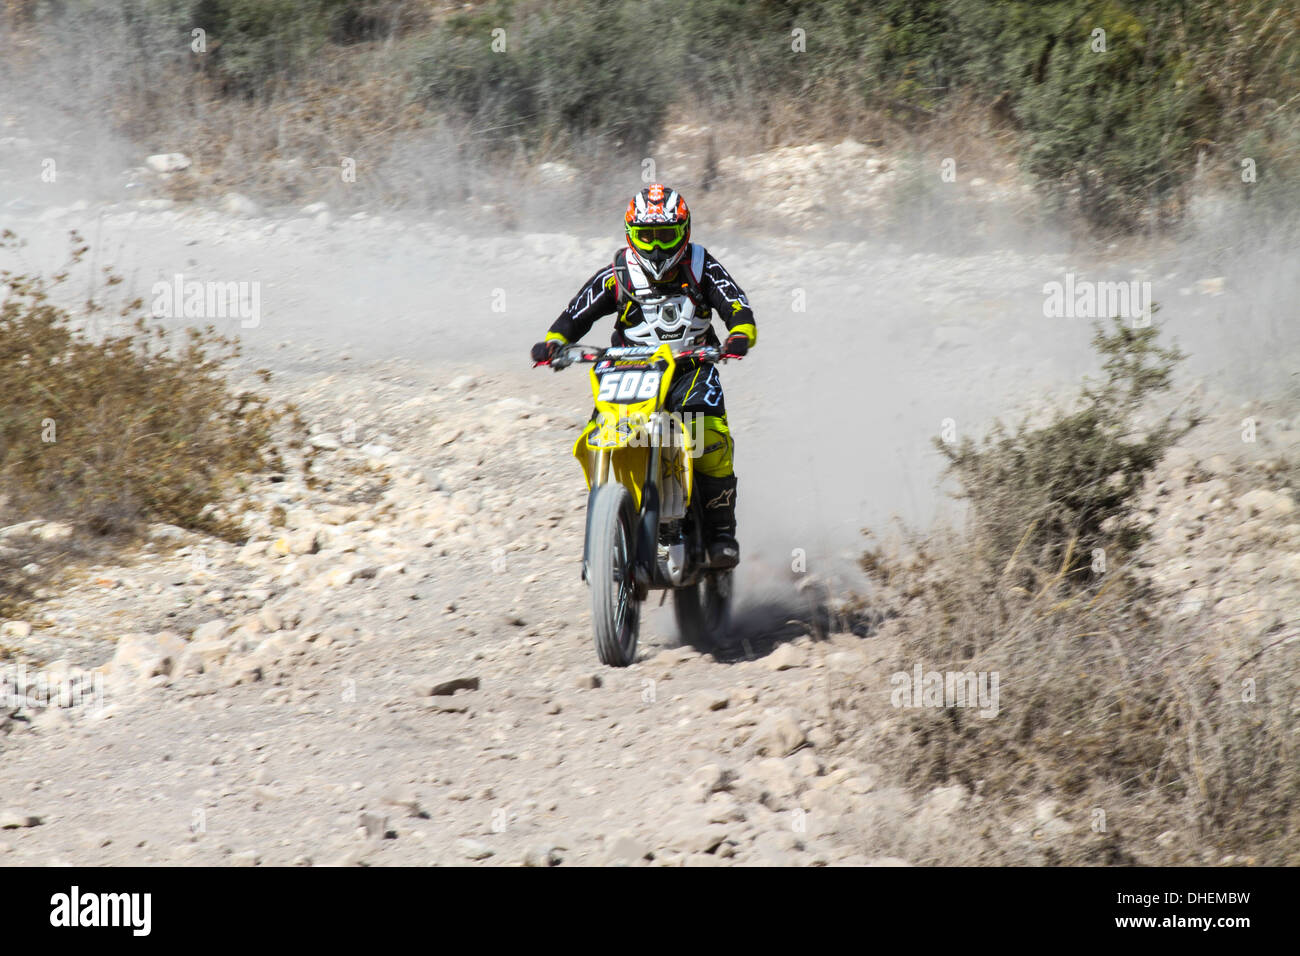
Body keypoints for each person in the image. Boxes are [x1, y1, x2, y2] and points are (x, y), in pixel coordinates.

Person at [530, 183, 756, 567]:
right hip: (629, 369)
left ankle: (720, 532)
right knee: (603, 432)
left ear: (683, 233)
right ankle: (612, 517)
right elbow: (575, 314)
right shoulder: (618, 272)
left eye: (665, 236)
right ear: (631, 235)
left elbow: (737, 306)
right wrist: (554, 342)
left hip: (692, 366)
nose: (655, 247)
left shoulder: (702, 266)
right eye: (646, 236)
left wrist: (738, 336)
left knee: (708, 435)